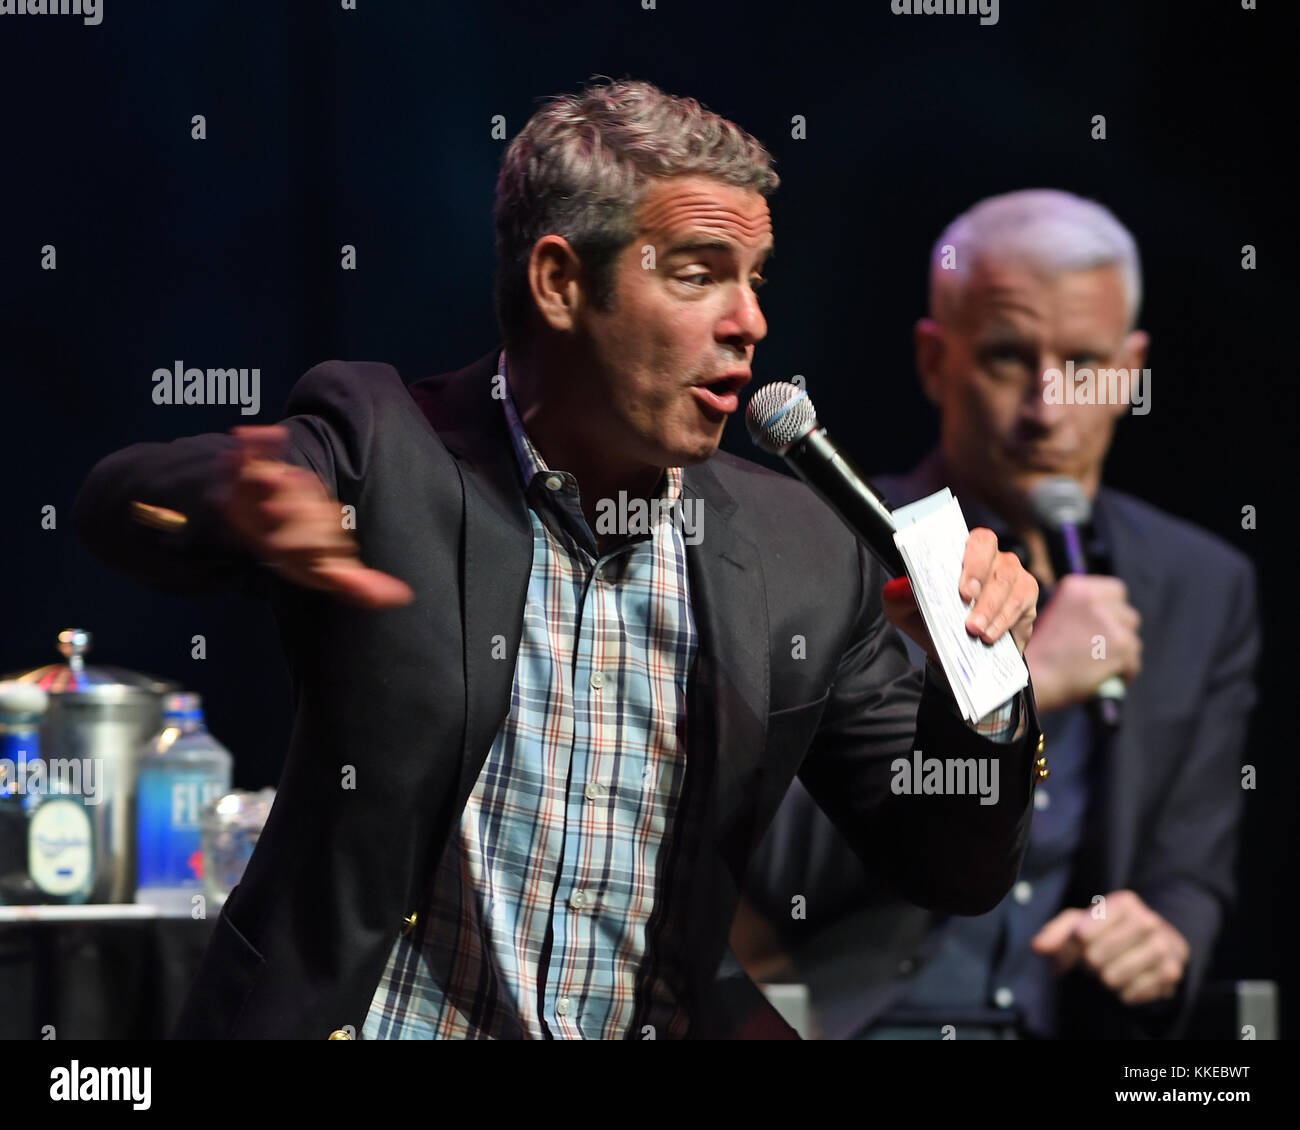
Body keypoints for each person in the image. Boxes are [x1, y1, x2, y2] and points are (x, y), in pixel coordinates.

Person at [71, 80, 1045, 1040]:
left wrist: (982, 678)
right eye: (699, 273)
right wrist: (226, 495)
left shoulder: (798, 552)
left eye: (755, 277)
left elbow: (950, 868)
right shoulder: (389, 449)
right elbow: (119, 502)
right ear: (560, 283)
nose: (747, 318)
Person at [732, 189, 1261, 1040]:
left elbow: (1191, 868)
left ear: (1131, 369)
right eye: (1010, 358)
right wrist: (1023, 682)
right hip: (861, 1023)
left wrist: (1165, 939)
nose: (1047, 410)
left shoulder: (1202, 583)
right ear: (936, 362)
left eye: (1085, 365)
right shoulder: (839, 546)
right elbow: (779, 865)